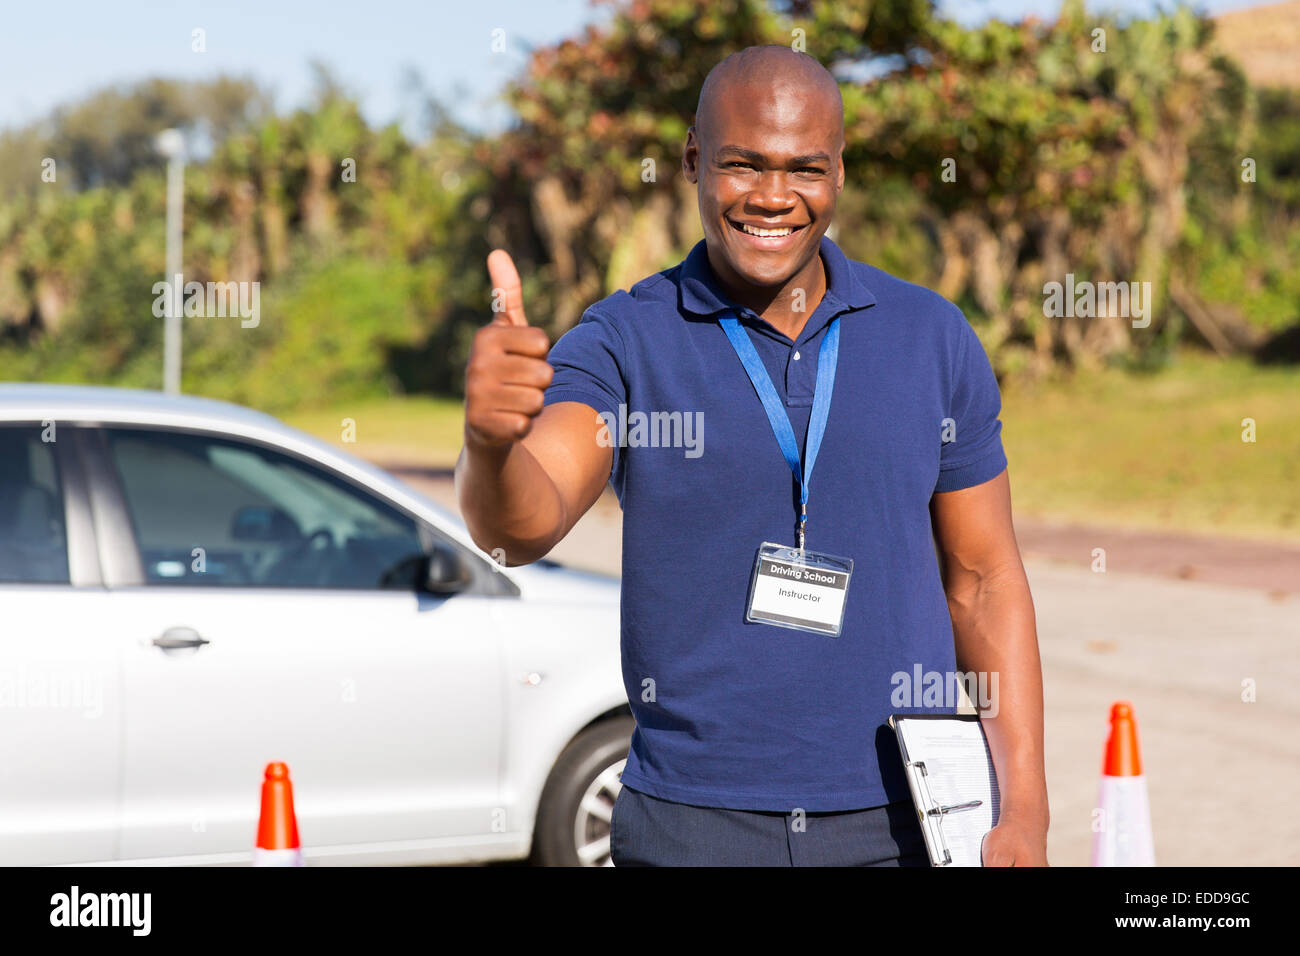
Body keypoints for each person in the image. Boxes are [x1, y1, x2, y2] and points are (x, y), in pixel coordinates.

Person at [456, 45, 1048, 867]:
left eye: (804, 168)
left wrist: (1024, 809)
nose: (773, 197)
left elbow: (985, 583)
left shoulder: (930, 337)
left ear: (839, 172)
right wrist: (491, 445)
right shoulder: (626, 338)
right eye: (743, 165)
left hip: (904, 823)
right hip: (692, 826)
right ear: (695, 160)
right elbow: (523, 521)